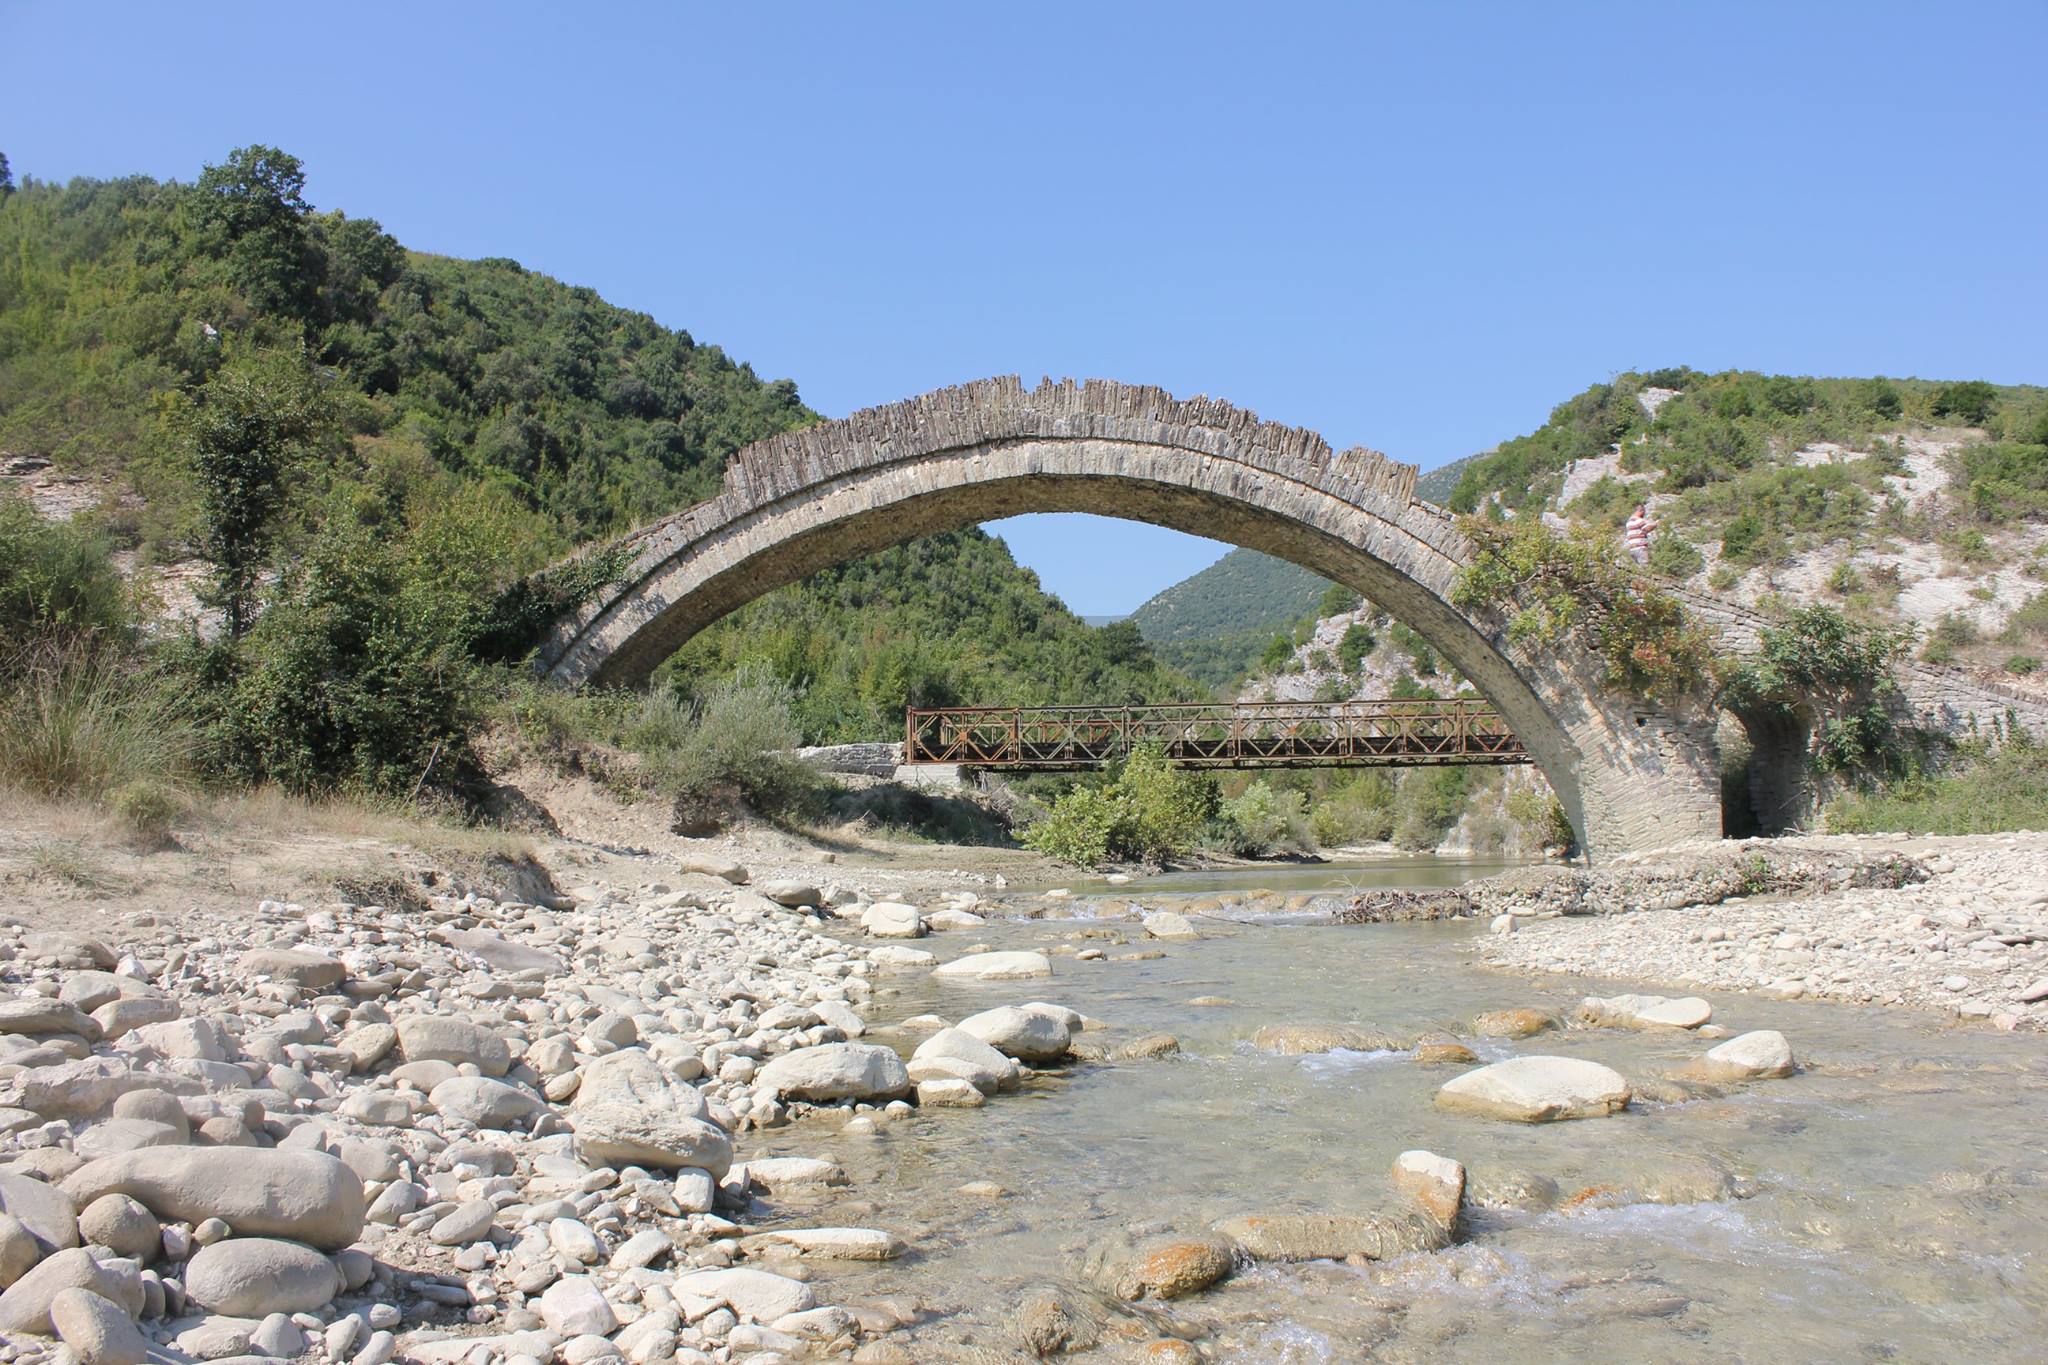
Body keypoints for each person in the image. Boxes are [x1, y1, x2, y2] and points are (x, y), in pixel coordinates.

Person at [1623, 502, 1658, 567]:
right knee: (1646, 568)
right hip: (1640, 548)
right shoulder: (1638, 520)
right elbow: (1647, 529)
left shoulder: (1629, 521)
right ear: (1641, 510)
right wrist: (1655, 525)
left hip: (1632, 549)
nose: (1644, 513)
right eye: (1644, 511)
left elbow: (1641, 531)